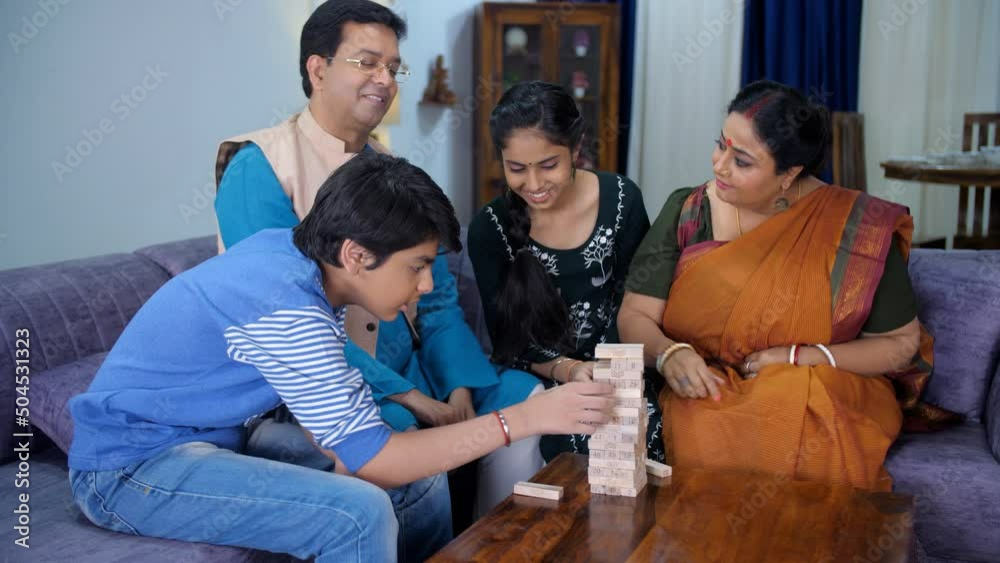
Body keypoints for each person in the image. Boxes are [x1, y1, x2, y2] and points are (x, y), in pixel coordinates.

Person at [68, 152, 614, 563]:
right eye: (416, 266)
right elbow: (370, 462)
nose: (426, 285)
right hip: (130, 467)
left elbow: (355, 448)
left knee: (416, 474)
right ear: (355, 254)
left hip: (215, 440)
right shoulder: (286, 306)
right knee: (358, 512)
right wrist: (525, 419)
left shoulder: (295, 257)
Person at [212, 0, 543, 512]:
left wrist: (457, 387)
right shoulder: (260, 167)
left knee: (525, 398)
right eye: (367, 62)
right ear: (317, 68)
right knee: (405, 445)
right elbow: (283, 320)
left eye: (393, 66)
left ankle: (493, 545)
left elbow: (436, 300)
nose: (385, 79)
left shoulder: (390, 171)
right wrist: (408, 398)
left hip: (418, 372)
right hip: (321, 392)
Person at [617, 79, 937, 492]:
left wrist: (798, 357)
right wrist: (669, 354)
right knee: (708, 415)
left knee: (793, 406)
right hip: (705, 384)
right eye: (720, 144)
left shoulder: (856, 229)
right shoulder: (689, 210)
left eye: (743, 161)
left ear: (789, 174)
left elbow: (899, 343)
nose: (720, 166)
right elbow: (635, 315)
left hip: (820, 382)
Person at [468, 81, 663, 464]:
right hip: (543, 375)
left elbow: (635, 304)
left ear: (576, 149)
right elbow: (509, 342)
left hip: (622, 362)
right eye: (517, 169)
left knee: (646, 435)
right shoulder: (490, 229)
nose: (535, 184)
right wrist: (571, 370)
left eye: (548, 165)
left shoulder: (622, 200)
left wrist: (611, 372)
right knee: (577, 451)